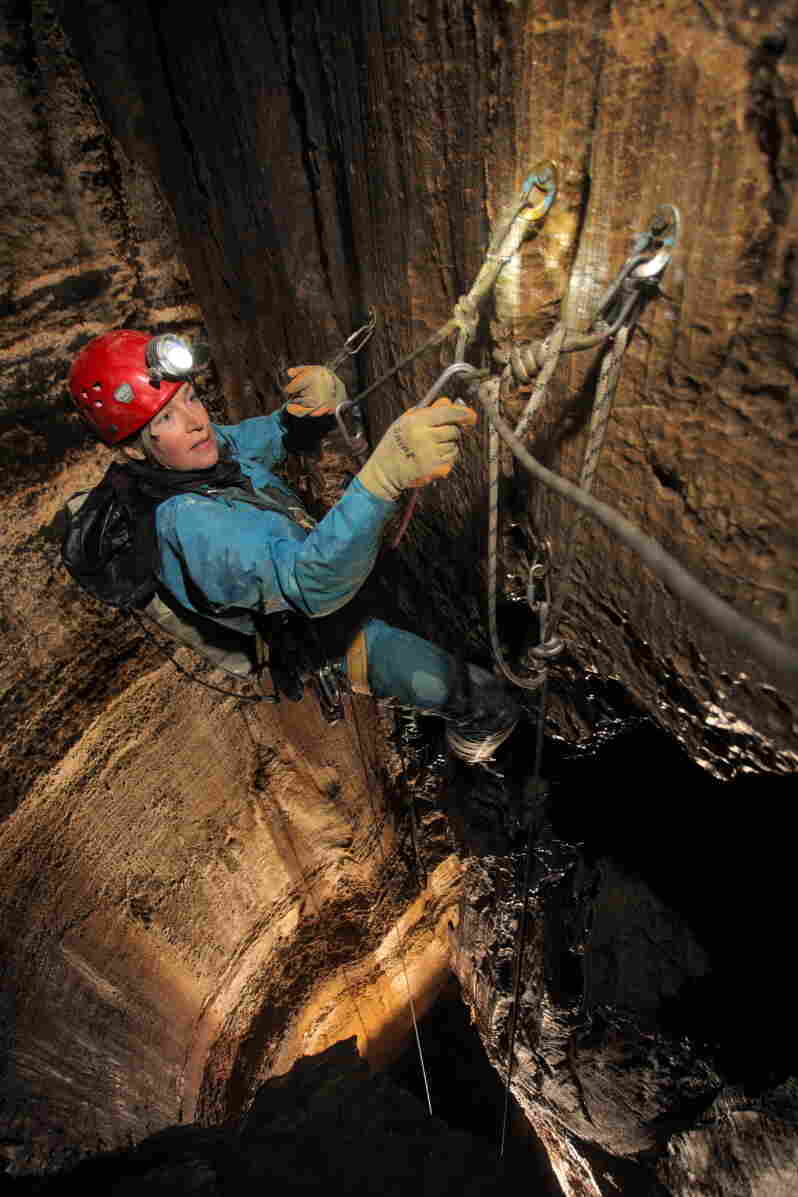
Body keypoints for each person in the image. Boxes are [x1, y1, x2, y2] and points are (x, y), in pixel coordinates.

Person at [64, 329, 520, 762]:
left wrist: (300, 419)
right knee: (489, 704)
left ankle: (421, 703)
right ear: (133, 449)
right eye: (164, 418)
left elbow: (250, 442)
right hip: (327, 638)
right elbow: (311, 586)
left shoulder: (192, 455)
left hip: (336, 579)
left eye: (190, 397)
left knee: (427, 619)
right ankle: (474, 753)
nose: (196, 422)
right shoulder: (189, 525)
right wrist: (381, 481)